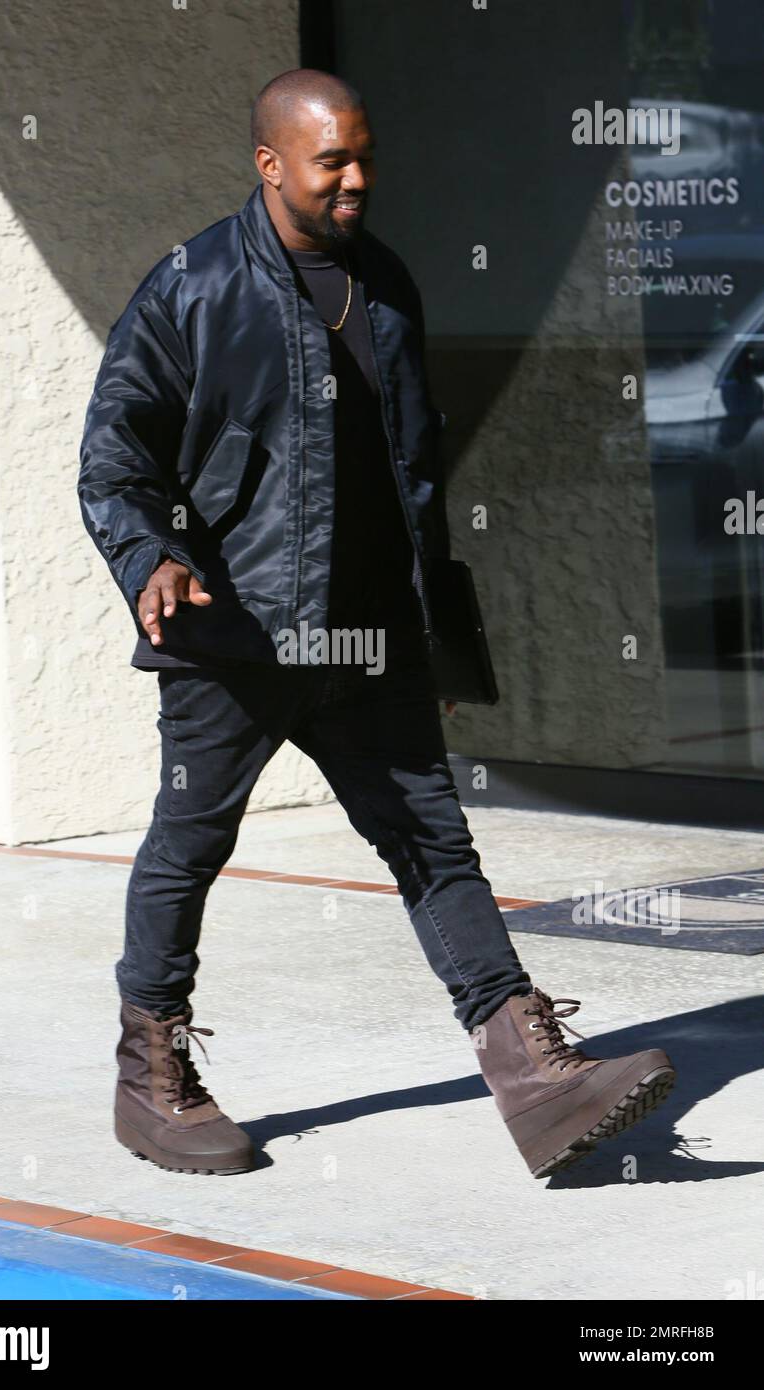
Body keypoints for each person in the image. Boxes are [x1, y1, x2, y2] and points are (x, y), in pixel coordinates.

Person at [77, 68, 676, 1181]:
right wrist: (150, 556)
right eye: (330, 162)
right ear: (269, 164)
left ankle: (531, 1076)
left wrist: (435, 635)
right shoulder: (191, 290)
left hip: (366, 637)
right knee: (188, 847)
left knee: (433, 847)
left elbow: (411, 479)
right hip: (233, 637)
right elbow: (114, 455)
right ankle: (149, 1077)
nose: (355, 180)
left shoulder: (384, 281)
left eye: (363, 157)